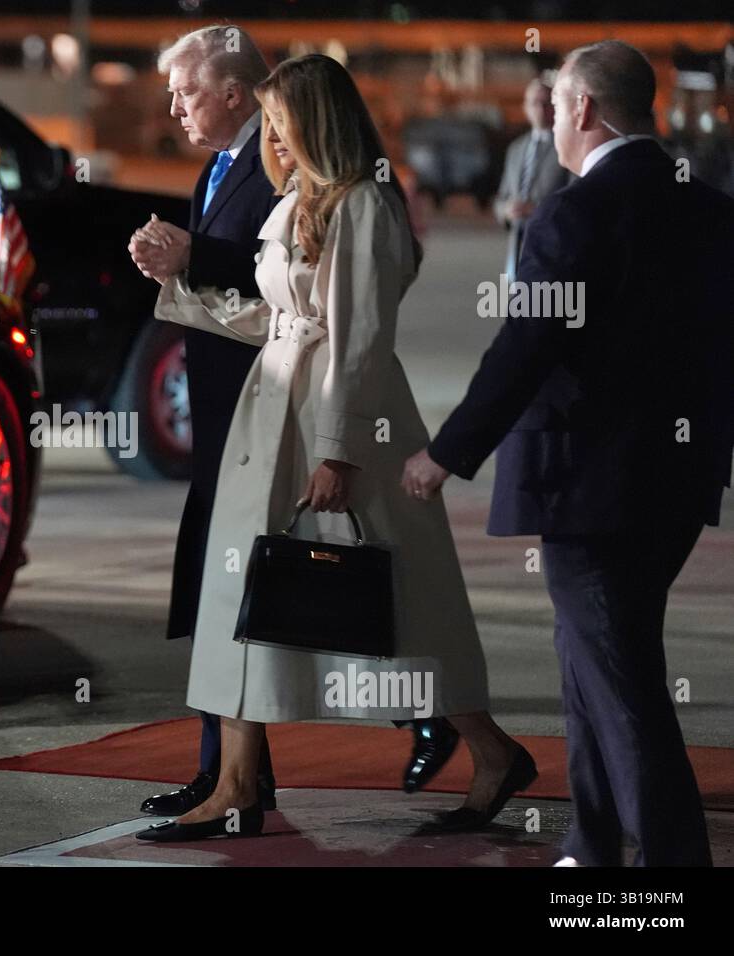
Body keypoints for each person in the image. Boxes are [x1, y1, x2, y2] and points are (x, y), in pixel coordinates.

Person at [137, 54, 533, 843]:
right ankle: (238, 783)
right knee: (237, 598)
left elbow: (357, 338)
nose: (271, 142)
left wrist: (338, 451)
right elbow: (279, 318)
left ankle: (488, 750)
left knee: (402, 599)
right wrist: (181, 290)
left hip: (339, 421)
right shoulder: (301, 205)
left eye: (280, 126)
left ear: (312, 124)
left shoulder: (364, 208)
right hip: (273, 413)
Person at [405, 40, 734, 866]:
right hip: (678, 479)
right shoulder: (708, 207)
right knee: (591, 655)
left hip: (587, 485)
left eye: (555, 107)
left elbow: (527, 346)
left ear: (584, 109)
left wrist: (447, 452)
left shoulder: (575, 210)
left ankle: (672, 864)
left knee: (621, 685)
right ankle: (593, 840)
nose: (550, 122)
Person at [128, 25, 281, 816]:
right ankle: (230, 774)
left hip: (264, 411)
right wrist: (173, 258)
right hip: (222, 414)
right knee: (219, 595)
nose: (176, 107)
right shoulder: (217, 165)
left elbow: (281, 270)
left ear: (231, 92)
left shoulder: (279, 159)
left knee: (255, 596)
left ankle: (438, 719)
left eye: (185, 92)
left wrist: (195, 255)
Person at [493, 78, 570, 276]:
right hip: (517, 243)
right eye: (534, 103)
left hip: (554, 245)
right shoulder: (516, 148)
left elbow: (574, 197)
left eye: (546, 103)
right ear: (525, 108)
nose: (540, 109)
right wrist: (507, 210)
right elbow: (501, 198)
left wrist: (535, 210)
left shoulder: (566, 147)